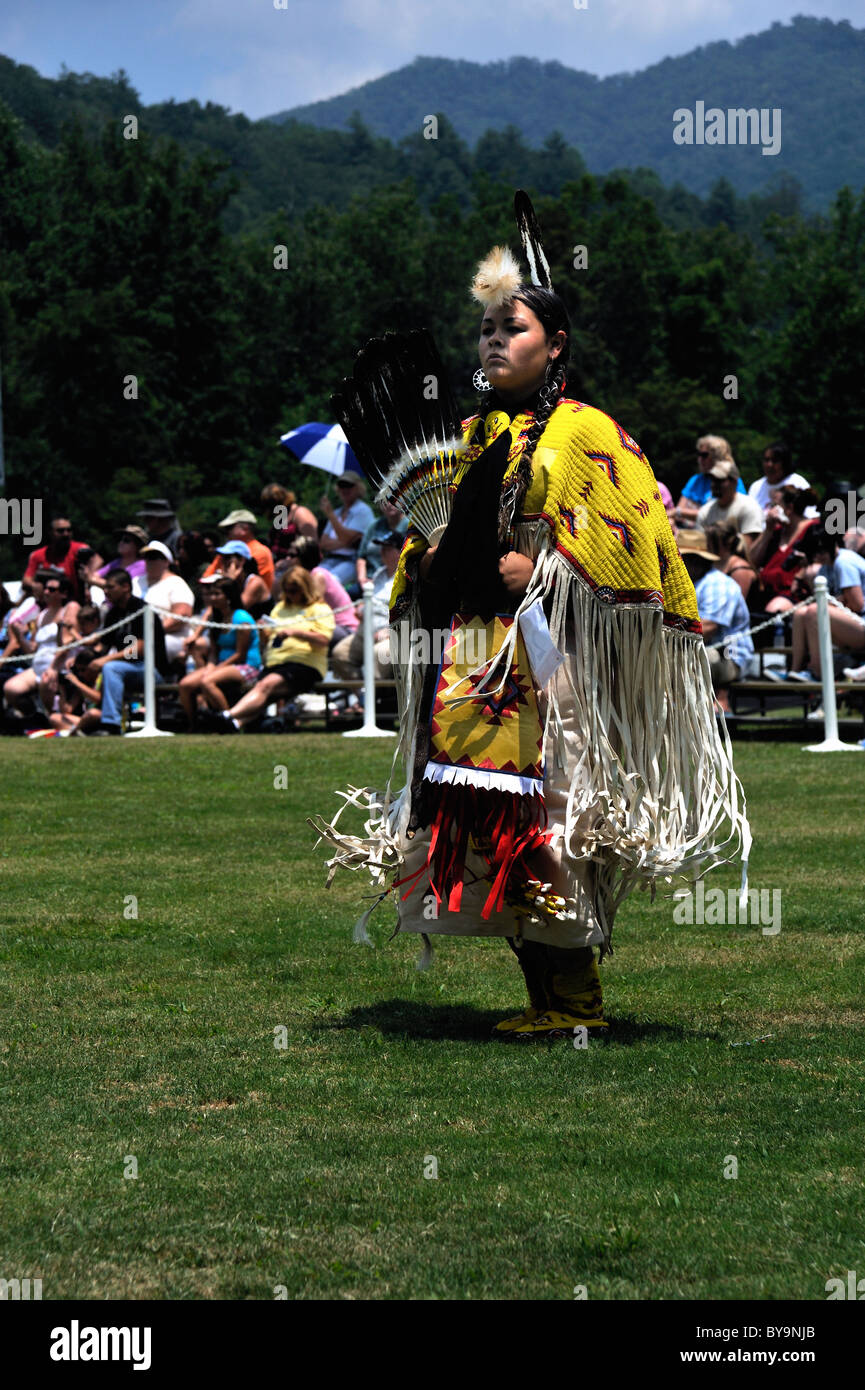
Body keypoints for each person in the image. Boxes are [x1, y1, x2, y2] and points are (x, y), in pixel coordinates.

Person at [313, 196, 749, 1039]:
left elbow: (633, 539)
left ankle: (575, 999)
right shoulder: (471, 434)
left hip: (555, 659)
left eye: (509, 328)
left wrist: (544, 569)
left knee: (551, 814)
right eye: (483, 331)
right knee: (483, 817)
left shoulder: (589, 434)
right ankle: (543, 993)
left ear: (554, 344)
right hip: (476, 654)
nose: (491, 341)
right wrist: (433, 564)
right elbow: (427, 547)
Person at [215, 567, 333, 732]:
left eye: (294, 591)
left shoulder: (320, 609)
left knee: (265, 686)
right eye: (287, 591)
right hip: (275, 662)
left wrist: (295, 633)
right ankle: (235, 725)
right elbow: (267, 639)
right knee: (266, 691)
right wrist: (263, 631)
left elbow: (324, 640)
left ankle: (227, 715)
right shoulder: (280, 608)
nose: (290, 595)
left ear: (305, 588)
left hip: (304, 665)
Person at [678, 531, 754, 714]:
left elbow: (706, 629)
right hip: (700, 649)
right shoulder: (687, 582)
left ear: (695, 560)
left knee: (697, 655)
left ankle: (695, 707)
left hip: (729, 657)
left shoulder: (717, 584)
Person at [87, 568, 167, 735]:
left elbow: (140, 647)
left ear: (125, 587)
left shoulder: (142, 609)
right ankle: (88, 720)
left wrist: (106, 660)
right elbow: (104, 647)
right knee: (103, 668)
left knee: (111, 668)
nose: (106, 592)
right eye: (105, 588)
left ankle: (111, 725)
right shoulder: (113, 613)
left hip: (151, 669)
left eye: (110, 587)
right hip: (127, 669)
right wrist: (86, 659)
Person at [178, 577, 262, 730]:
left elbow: (240, 654)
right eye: (210, 594)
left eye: (217, 594)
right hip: (221, 665)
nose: (211, 598)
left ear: (228, 597)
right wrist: (210, 667)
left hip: (245, 666)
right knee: (185, 684)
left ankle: (228, 721)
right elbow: (214, 652)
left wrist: (215, 670)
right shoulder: (216, 618)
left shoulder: (242, 619)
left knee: (207, 682)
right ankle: (194, 726)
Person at [781, 530, 865, 682]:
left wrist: (835, 603)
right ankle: (795, 670)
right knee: (801, 612)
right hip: (853, 624)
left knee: (815, 611)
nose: (816, 557)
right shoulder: (826, 566)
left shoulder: (844, 562)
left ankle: (817, 671)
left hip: (861, 623)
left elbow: (858, 605)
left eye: (818, 552)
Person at [2, 571, 80, 718]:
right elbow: (32, 649)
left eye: (51, 589)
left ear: (63, 593)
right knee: (11, 689)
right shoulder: (41, 615)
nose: (46, 592)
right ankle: (34, 717)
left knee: (46, 680)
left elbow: (68, 643)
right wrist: (19, 635)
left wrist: (52, 668)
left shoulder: (70, 608)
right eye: (46, 588)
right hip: (37, 667)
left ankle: (52, 719)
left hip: (59, 665)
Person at [331, 531, 401, 681]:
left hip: (392, 635)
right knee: (340, 655)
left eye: (388, 548)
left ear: (400, 551)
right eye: (382, 548)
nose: (383, 552)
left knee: (376, 655)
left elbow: (407, 612)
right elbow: (368, 601)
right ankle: (363, 697)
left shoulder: (406, 577)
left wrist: (388, 632)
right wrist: (361, 608)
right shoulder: (379, 574)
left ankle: (375, 700)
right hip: (365, 632)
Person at [748, 486, 820, 613]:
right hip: (766, 592)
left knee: (774, 609)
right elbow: (752, 561)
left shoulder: (812, 530)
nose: (770, 510)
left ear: (789, 508)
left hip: (795, 595)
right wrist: (767, 532)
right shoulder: (775, 532)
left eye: (775, 505)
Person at [288, 535, 359, 645]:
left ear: (303, 556)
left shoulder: (318, 576)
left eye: (292, 555)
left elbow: (313, 607)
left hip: (344, 627)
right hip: (325, 624)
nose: (288, 559)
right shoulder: (302, 578)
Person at [138, 540, 195, 669]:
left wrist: (151, 632)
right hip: (136, 636)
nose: (150, 561)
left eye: (155, 557)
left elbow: (182, 615)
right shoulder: (136, 581)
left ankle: (155, 679)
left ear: (166, 561)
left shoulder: (176, 583)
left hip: (170, 636)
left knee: (143, 649)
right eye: (147, 558)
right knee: (116, 651)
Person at [22, 517, 102, 601]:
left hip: (75, 601)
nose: (66, 534)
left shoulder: (79, 549)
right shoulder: (38, 555)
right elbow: (26, 580)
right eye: (60, 531)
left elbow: (97, 560)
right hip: (50, 603)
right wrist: (36, 586)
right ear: (50, 532)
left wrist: (88, 578)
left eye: (69, 530)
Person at [696, 460, 764, 555]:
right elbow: (700, 548)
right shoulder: (705, 511)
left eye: (719, 480)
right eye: (712, 480)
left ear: (734, 482)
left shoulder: (749, 507)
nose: (714, 484)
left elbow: (749, 550)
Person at [318, 473, 374, 588]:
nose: (345, 489)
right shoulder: (338, 512)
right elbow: (324, 543)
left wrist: (330, 515)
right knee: (310, 578)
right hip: (331, 559)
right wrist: (346, 542)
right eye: (341, 485)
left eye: (349, 485)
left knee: (329, 582)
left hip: (352, 562)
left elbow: (345, 538)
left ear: (358, 488)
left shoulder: (363, 511)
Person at [674, 436, 744, 526]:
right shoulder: (695, 480)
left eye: (704, 455)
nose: (699, 459)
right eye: (698, 455)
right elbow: (680, 509)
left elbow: (725, 513)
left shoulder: (732, 480)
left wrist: (683, 512)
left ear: (717, 456)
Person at [200, 510, 275, 592]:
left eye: (229, 528)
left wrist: (221, 576)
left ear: (245, 528)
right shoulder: (226, 551)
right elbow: (206, 577)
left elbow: (241, 583)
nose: (226, 532)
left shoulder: (260, 551)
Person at [262, 483, 318, 578]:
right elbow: (277, 540)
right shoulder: (282, 513)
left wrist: (289, 561)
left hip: (298, 567)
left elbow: (312, 547)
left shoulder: (300, 513)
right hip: (277, 564)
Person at [747, 442, 812, 516]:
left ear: (785, 463)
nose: (769, 465)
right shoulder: (756, 487)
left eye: (775, 461)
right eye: (766, 460)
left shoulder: (798, 484)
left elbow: (811, 516)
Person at [356, 501, 408, 587]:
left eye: (393, 499)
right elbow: (361, 556)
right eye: (383, 501)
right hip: (369, 579)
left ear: (403, 501)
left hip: (395, 579)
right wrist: (362, 578)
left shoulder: (410, 526)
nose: (389, 504)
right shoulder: (374, 526)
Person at [704, 524, 758, 604]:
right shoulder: (711, 564)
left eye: (710, 541)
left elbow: (736, 604)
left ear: (728, 543)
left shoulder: (740, 569)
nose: (706, 545)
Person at [96, 525, 148, 592]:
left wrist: (92, 580)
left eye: (126, 540)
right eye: (120, 539)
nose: (121, 542)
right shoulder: (117, 562)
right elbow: (96, 575)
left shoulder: (142, 565)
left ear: (137, 546)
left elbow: (120, 587)